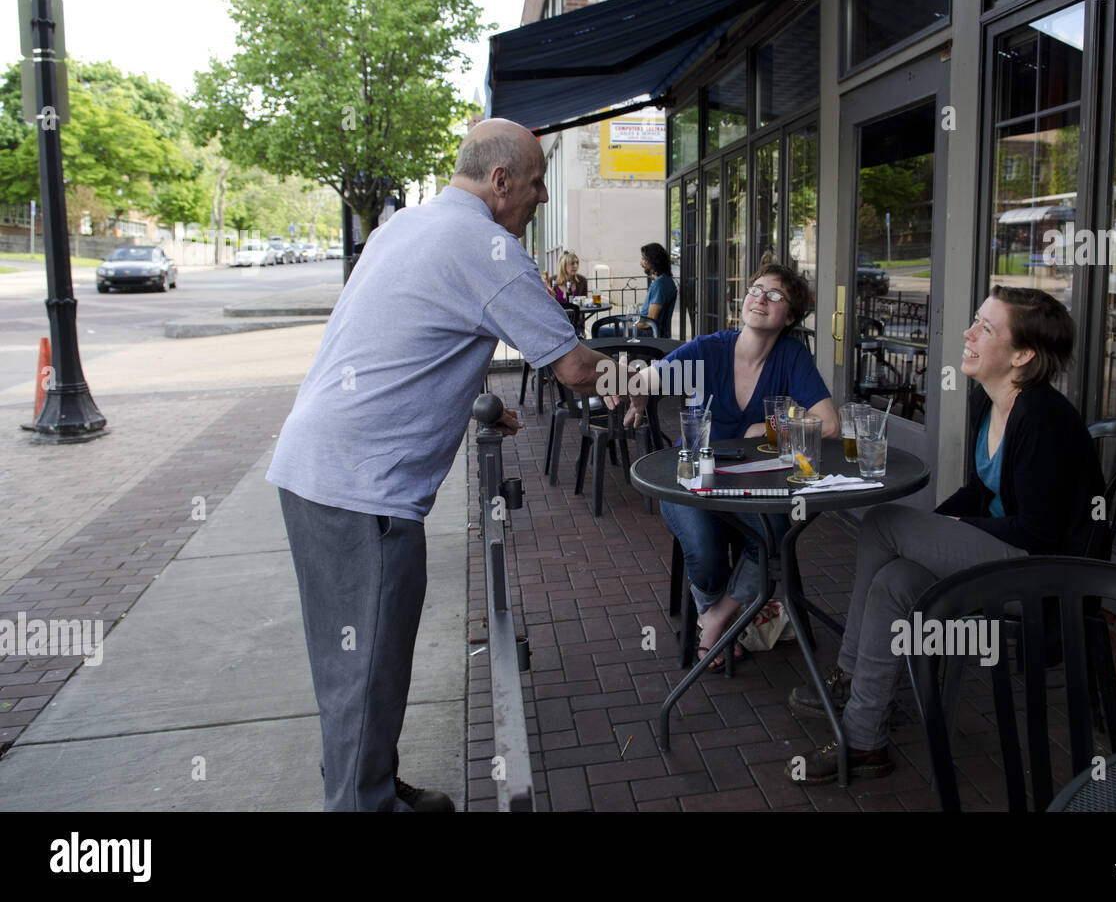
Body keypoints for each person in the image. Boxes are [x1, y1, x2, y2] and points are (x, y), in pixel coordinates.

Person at [266, 118, 620, 812]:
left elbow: (388, 342)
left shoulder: (402, 227)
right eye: (538, 181)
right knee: (364, 670)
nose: (542, 197)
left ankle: (375, 786)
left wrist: (456, 400)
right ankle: (361, 803)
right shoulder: (488, 246)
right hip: (360, 488)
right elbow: (578, 368)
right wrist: (646, 378)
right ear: (501, 181)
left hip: (319, 467)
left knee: (362, 665)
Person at [786, 285, 1105, 785]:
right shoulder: (988, 399)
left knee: (882, 522)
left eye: (986, 328)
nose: (968, 332)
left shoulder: (1041, 417)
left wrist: (945, 530)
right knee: (895, 578)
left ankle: (847, 672)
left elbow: (1039, 533)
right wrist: (936, 529)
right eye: (975, 319)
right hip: (1005, 553)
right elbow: (980, 491)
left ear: (1022, 355)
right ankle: (864, 739)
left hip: (1047, 575)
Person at [624, 265, 837, 669]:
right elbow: (647, 378)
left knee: (775, 534)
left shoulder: (790, 356)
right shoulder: (709, 351)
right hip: (693, 479)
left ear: (789, 317)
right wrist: (636, 390)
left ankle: (714, 620)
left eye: (775, 296)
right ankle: (716, 607)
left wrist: (769, 426)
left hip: (751, 484)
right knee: (705, 553)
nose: (760, 298)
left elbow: (830, 423)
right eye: (756, 290)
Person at [639, 242, 677, 336]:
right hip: (649, 332)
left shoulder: (660, 284)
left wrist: (629, 325)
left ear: (654, 261)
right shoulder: (665, 280)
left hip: (649, 334)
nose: (641, 263)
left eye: (644, 259)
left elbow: (650, 321)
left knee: (598, 331)